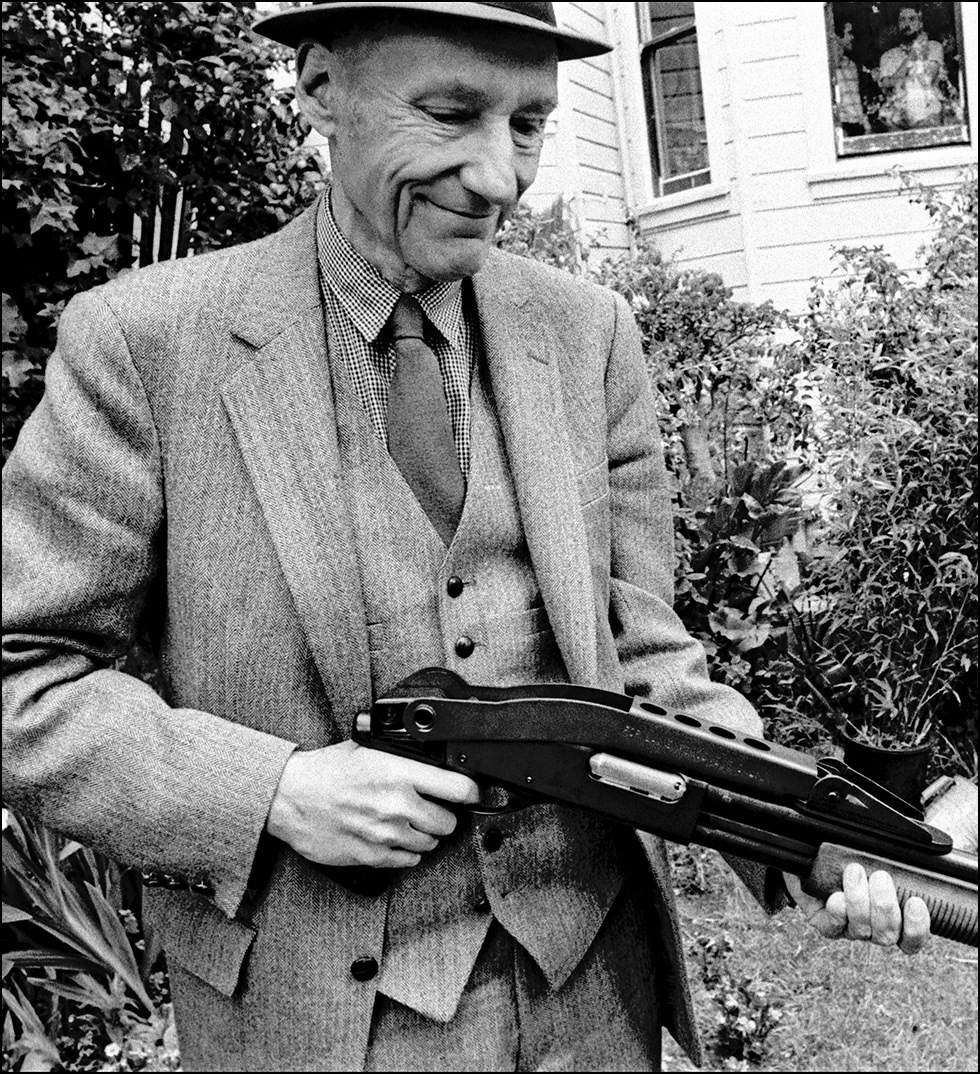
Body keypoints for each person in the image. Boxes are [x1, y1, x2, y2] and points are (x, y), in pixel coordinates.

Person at [0, 3, 939, 1071]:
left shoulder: (584, 335)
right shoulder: (148, 346)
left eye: (530, 124)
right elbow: (21, 678)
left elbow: (644, 660)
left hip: (590, 1001)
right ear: (317, 89)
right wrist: (268, 794)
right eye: (450, 113)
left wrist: (827, 841)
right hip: (311, 1026)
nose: (498, 177)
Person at [875, 4, 956, 130]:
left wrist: (898, 79)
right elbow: (887, 85)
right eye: (902, 20)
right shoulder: (888, 56)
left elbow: (927, 78)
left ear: (921, 24)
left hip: (929, 115)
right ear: (897, 25)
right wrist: (912, 56)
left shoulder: (934, 47)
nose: (907, 24)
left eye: (912, 19)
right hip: (898, 120)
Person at [834, 21, 871, 137]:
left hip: (858, 125)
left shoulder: (851, 65)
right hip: (841, 127)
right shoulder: (826, 67)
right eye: (849, 33)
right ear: (836, 36)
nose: (852, 37)